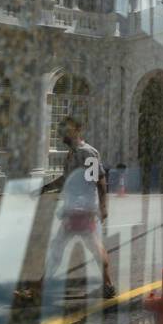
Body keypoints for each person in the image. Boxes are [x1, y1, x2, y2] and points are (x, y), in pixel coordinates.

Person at [42, 115, 116, 299]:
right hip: (74, 208)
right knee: (88, 246)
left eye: (64, 131)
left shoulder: (87, 153)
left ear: (75, 131)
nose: (61, 136)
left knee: (62, 247)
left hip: (82, 209)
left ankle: (42, 287)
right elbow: (66, 179)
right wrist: (46, 188)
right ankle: (108, 285)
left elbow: (98, 180)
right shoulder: (73, 153)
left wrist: (103, 207)